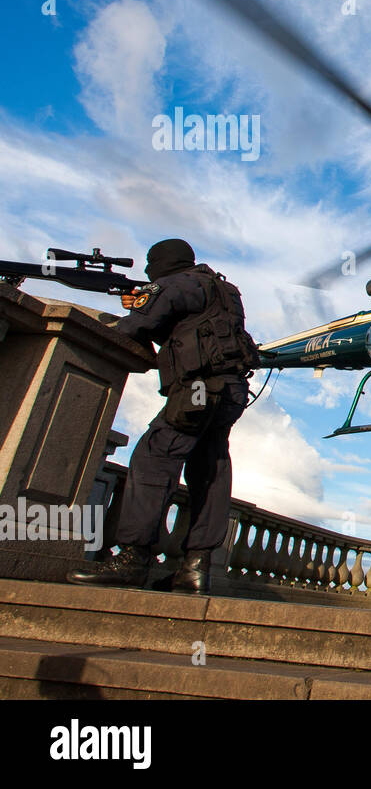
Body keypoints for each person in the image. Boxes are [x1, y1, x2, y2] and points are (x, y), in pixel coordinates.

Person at [67, 239, 259, 593]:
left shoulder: (171, 285)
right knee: (210, 469)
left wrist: (133, 311)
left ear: (161, 264)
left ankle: (133, 558)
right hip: (230, 392)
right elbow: (192, 330)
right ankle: (195, 568)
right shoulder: (225, 290)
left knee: (154, 458)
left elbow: (134, 328)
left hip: (197, 391)